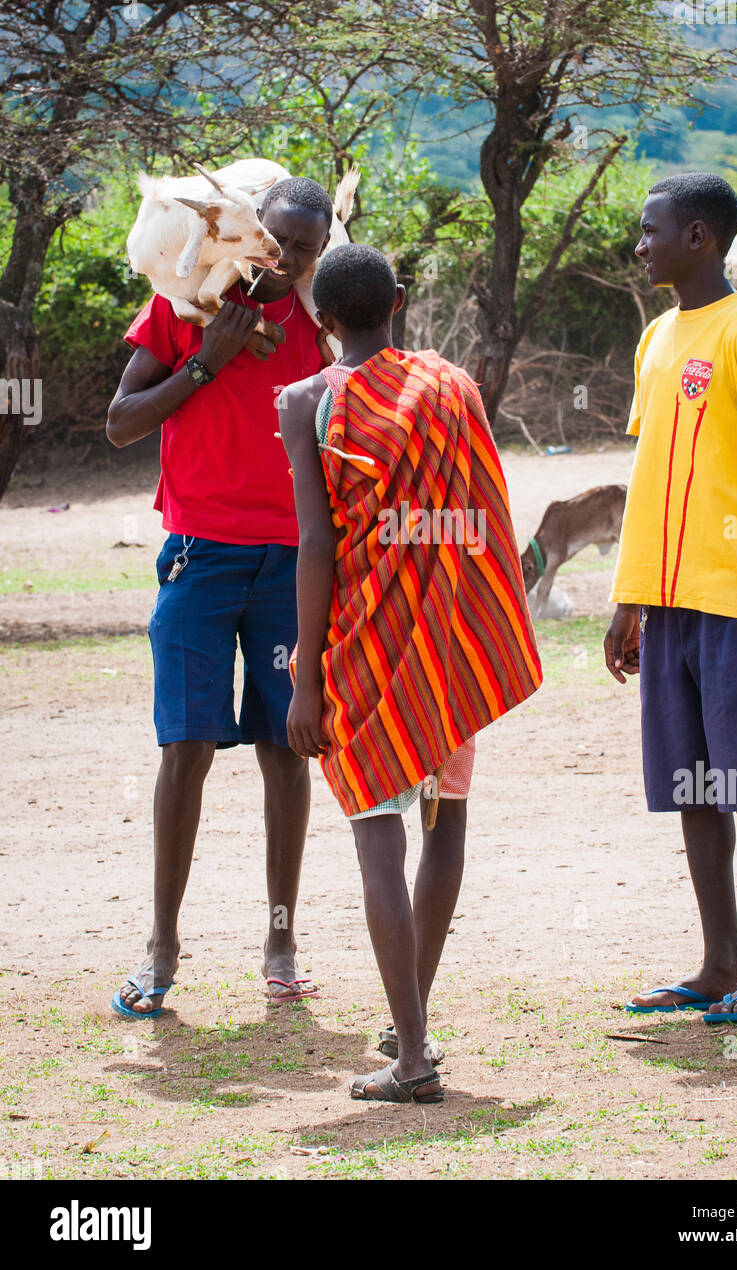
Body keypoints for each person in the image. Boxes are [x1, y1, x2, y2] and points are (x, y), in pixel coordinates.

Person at [279, 243, 542, 1101]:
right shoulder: (451, 386)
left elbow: (317, 543)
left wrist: (305, 679)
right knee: (445, 823)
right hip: (449, 648)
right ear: (398, 300)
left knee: (376, 846)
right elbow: (481, 511)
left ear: (321, 320)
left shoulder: (305, 401)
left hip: (362, 648)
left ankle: (415, 1055)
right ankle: (412, 1020)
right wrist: (468, 628)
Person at [105, 176, 335, 1017]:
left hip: (291, 564)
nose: (286, 261)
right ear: (247, 231)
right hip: (198, 557)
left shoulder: (322, 325)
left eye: (306, 250)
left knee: (286, 747)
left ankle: (280, 940)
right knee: (188, 750)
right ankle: (162, 944)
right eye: (275, 242)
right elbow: (122, 422)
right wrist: (211, 359)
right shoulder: (185, 307)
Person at [604, 172, 737, 1024]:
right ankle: (716, 964)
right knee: (694, 789)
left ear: (699, 237)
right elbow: (651, 475)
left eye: (651, 230)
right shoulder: (657, 339)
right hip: (666, 604)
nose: (639, 243)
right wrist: (632, 598)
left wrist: (724, 521)